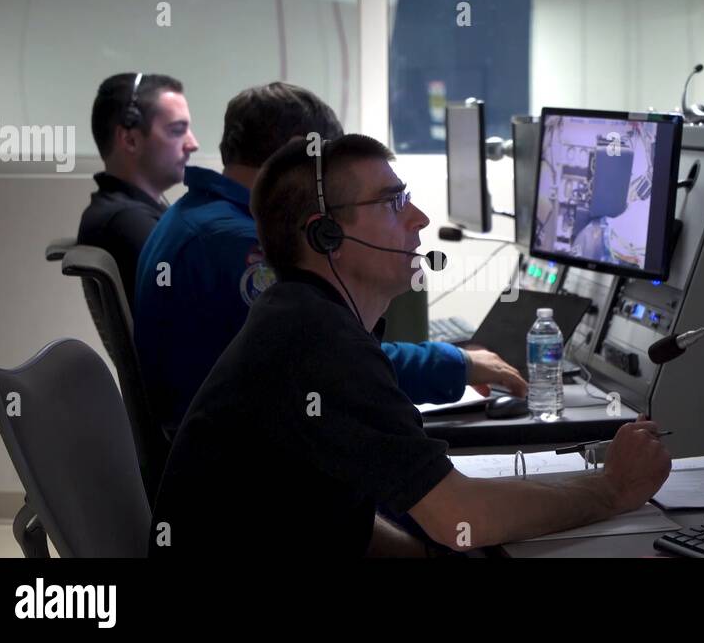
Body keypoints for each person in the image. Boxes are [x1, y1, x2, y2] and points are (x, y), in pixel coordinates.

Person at [149, 134, 671, 557]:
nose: (419, 217)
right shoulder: (317, 343)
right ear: (326, 235)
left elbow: (336, 519)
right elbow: (461, 516)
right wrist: (612, 489)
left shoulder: (305, 319)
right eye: (393, 201)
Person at [135, 83, 524, 432]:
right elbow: (337, 367)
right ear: (297, 154)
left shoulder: (195, 216)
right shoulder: (240, 245)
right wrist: (456, 364)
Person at [77, 73, 198, 305]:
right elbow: (182, 301)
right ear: (130, 140)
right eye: (177, 130)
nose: (193, 143)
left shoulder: (126, 213)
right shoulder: (129, 222)